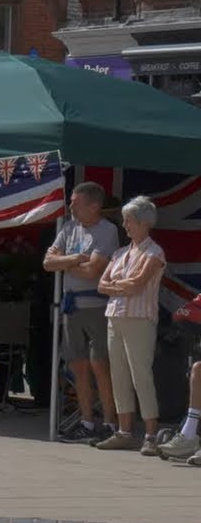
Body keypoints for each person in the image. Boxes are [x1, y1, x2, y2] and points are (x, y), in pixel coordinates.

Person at [44, 182, 120, 444]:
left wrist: (65, 262)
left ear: (94, 205)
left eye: (76, 202)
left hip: (96, 306)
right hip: (71, 306)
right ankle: (87, 422)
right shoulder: (69, 227)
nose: (70, 206)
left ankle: (110, 422)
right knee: (77, 365)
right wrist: (77, 259)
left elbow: (94, 271)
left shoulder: (107, 231)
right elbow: (47, 263)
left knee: (100, 365)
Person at [96, 195, 166, 455]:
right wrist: (122, 287)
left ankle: (151, 435)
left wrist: (118, 287)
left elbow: (139, 284)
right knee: (119, 375)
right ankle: (124, 432)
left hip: (139, 319)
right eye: (125, 221)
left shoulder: (154, 252)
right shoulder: (119, 253)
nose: (125, 226)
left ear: (145, 223)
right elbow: (101, 285)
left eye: (130, 221)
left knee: (141, 375)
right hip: (115, 317)